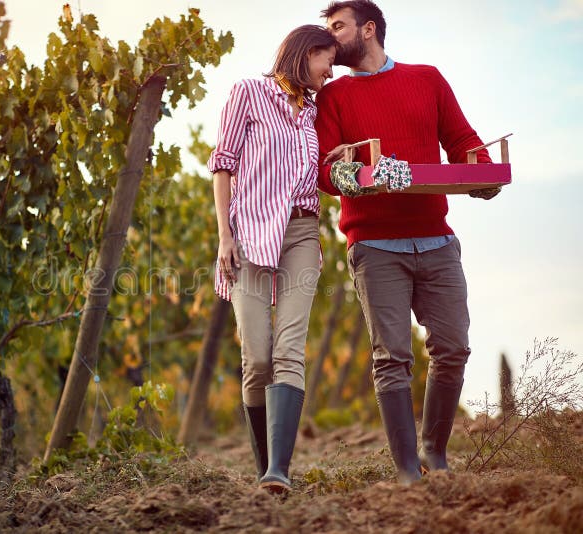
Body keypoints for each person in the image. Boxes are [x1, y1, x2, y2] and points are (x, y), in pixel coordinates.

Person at [315, 0, 500, 483]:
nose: (331, 39)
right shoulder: (332, 98)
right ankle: (405, 472)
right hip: (374, 246)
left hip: (436, 239)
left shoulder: (427, 79)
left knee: (453, 347)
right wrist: (362, 173)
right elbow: (326, 172)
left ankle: (433, 453)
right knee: (391, 357)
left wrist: (483, 173)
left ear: (369, 29)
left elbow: (463, 141)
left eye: (339, 27)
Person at [207, 25, 337, 493]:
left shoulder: (319, 111)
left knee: (288, 350)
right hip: (250, 234)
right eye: (327, 58)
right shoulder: (249, 93)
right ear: (306, 53)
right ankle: (267, 467)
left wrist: (335, 159)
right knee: (257, 358)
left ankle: (278, 472)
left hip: (301, 231)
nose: (330, 69)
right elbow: (223, 165)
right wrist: (225, 236)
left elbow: (318, 171)